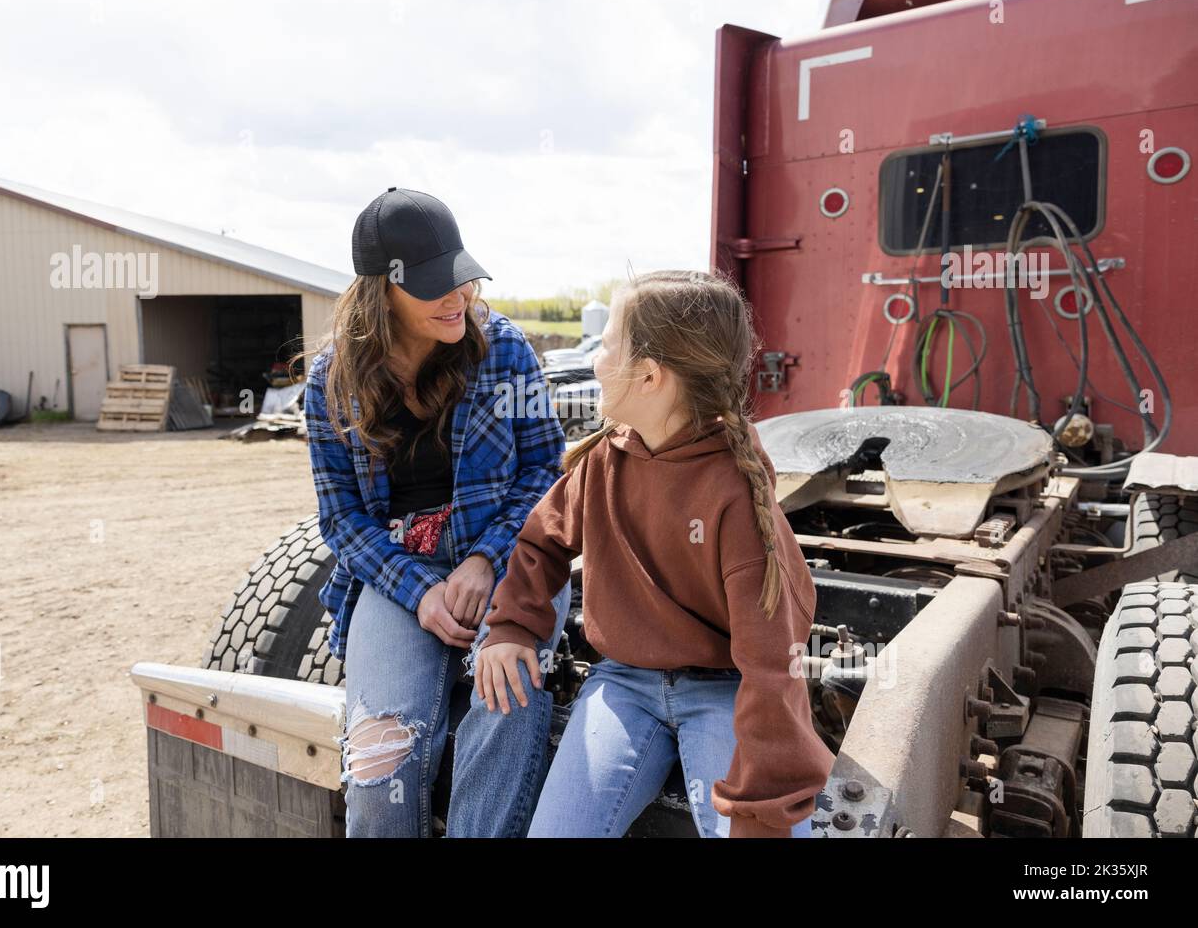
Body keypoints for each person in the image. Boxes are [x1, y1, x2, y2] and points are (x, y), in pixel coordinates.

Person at [472, 269, 835, 837]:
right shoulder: (601, 461)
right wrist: (513, 626)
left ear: (648, 376)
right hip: (622, 685)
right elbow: (541, 541)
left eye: (608, 344)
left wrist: (763, 810)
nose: (594, 361)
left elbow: (772, 665)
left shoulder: (736, 493)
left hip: (724, 691)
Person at [300, 187, 571, 837]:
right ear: (381, 289)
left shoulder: (504, 351)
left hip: (511, 561)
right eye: (433, 286)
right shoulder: (329, 381)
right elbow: (341, 521)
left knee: (506, 698)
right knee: (380, 754)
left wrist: (484, 559)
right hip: (399, 575)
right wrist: (423, 591)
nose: (458, 297)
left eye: (460, 277)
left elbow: (543, 469)